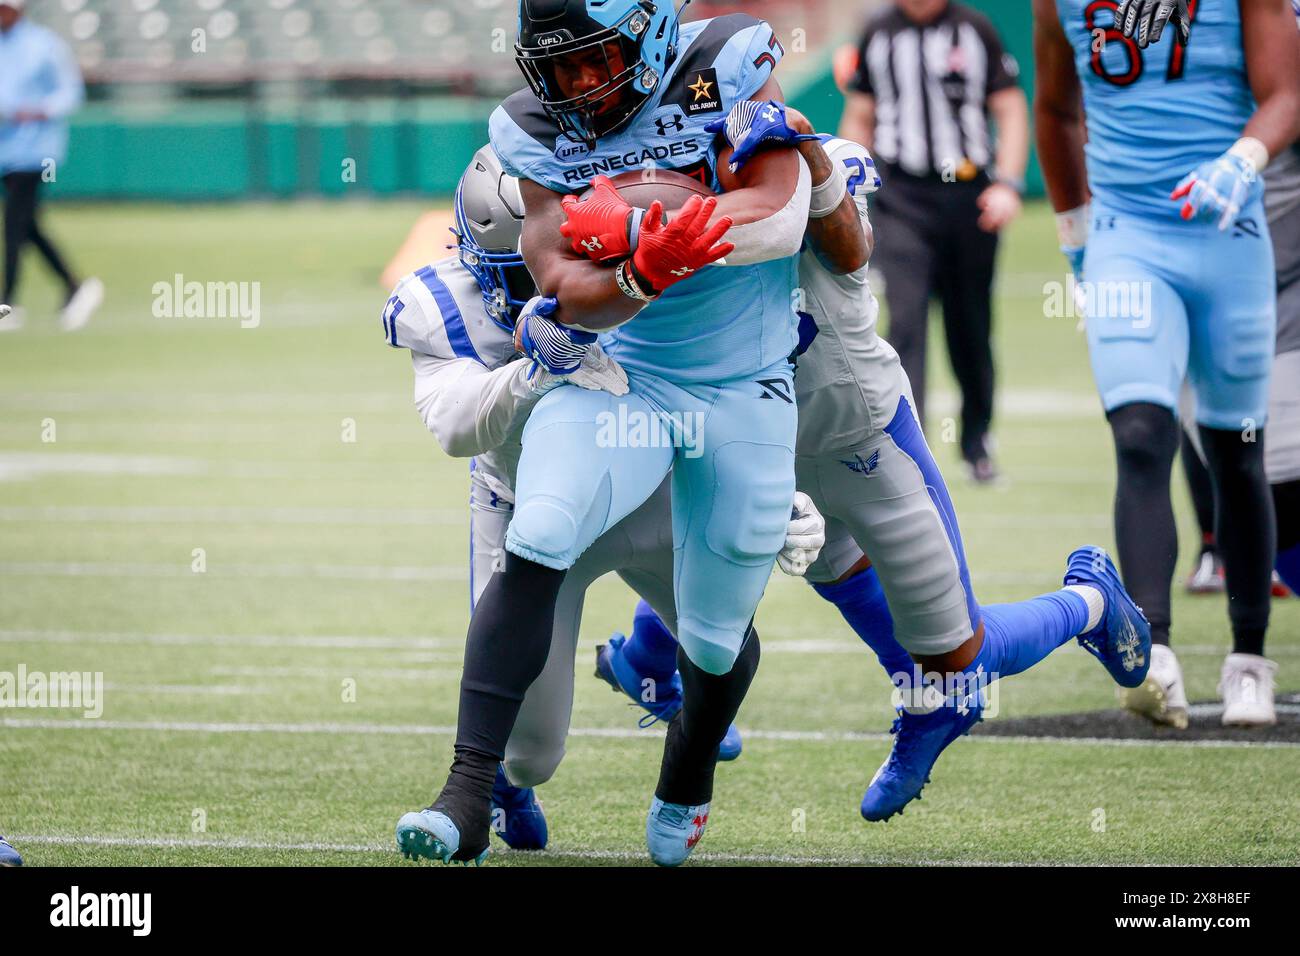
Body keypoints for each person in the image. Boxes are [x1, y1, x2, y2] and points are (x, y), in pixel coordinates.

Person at [597, 102, 1152, 824]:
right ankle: (650, 656)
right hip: (773, 453)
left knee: (959, 661)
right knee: (718, 557)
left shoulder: (823, 218)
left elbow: (848, 242)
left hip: (867, 446)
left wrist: (816, 168)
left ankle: (1091, 604)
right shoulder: (714, 212)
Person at [395, 0, 815, 867]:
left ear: (654, 31)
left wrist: (660, 229)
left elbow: (778, 212)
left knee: (710, 636)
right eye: (561, 68)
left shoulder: (720, 60)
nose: (583, 87)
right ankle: (468, 791)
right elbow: (557, 273)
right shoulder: (532, 128)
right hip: (629, 376)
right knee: (540, 524)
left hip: (744, 385)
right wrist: (639, 266)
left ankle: (687, 774)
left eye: (599, 60)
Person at [1033, 0, 1300, 728]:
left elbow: (1287, 92)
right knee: (1141, 432)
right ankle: (1154, 649)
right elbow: (1055, 109)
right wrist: (1077, 234)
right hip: (1129, 233)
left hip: (1227, 223)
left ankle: (1249, 658)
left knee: (1236, 450)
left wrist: (1244, 158)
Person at [838, 0, 1029, 482]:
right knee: (904, 324)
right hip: (902, 198)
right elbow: (861, 115)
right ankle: (909, 445)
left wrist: (1007, 182)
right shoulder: (878, 32)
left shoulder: (974, 29)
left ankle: (976, 439)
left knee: (970, 329)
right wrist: (843, 187)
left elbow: (1009, 108)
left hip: (968, 198)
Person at [0, 0, 101, 332]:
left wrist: (38, 110)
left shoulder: (44, 45)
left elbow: (71, 93)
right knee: (27, 225)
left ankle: (8, 304)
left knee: (14, 225)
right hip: (5, 150)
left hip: (36, 152)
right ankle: (75, 285)